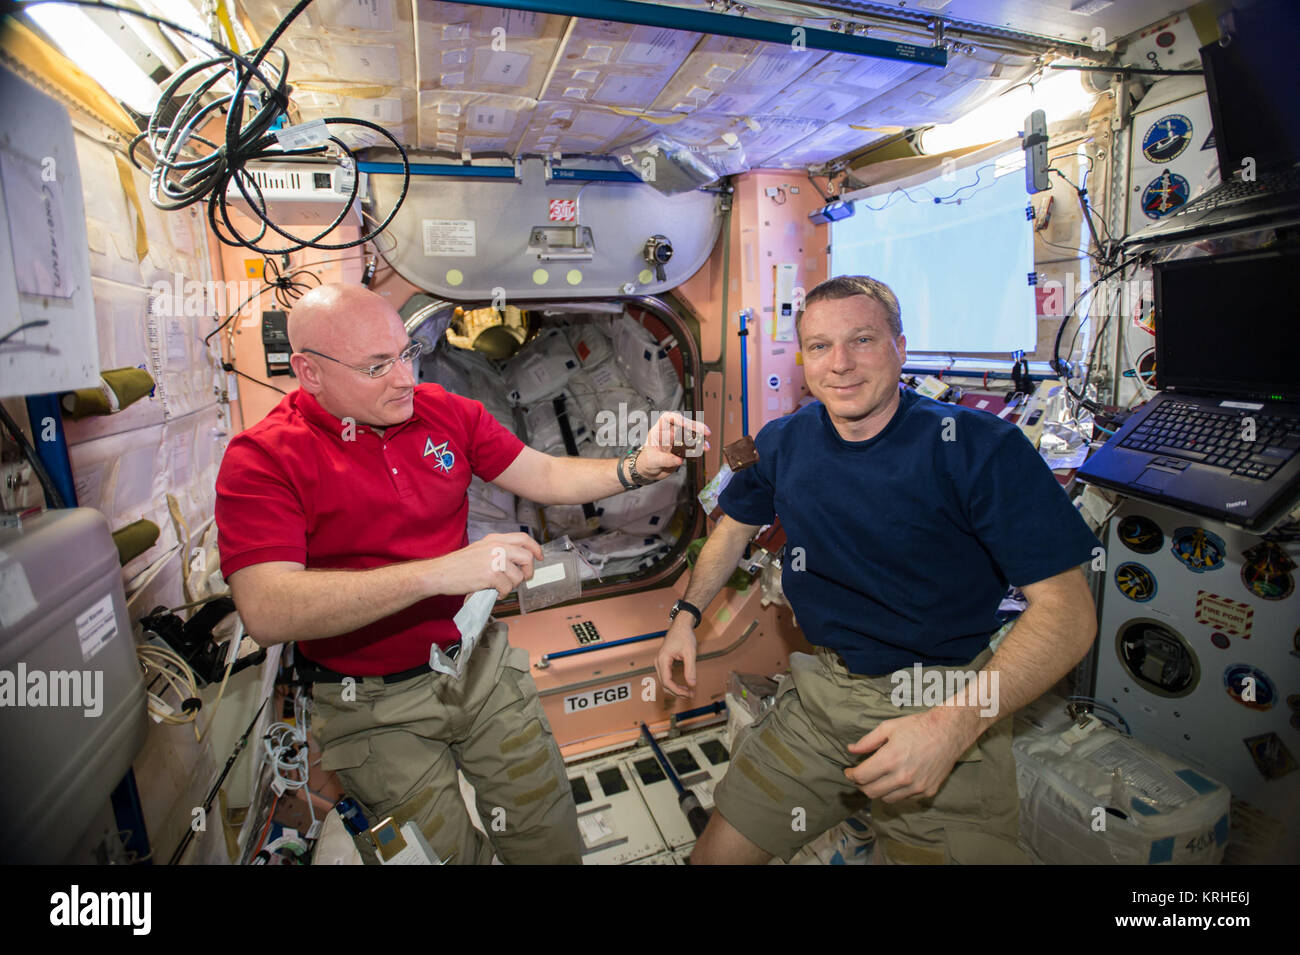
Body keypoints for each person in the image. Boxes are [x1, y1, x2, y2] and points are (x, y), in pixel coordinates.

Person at [215, 284, 705, 865]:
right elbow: (268, 610)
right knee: (440, 856)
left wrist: (635, 467)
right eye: (377, 367)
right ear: (309, 372)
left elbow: (543, 475)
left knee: (546, 836)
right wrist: (440, 574)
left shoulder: (442, 411)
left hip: (478, 666)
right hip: (372, 707)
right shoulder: (263, 459)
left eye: (405, 354)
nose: (403, 378)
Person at [655, 275, 1099, 865]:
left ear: (901, 347)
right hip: (825, 693)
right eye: (818, 346)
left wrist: (951, 728)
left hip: (943, 696)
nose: (839, 364)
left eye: (861, 340)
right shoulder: (784, 441)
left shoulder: (977, 447)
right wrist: (684, 615)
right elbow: (732, 527)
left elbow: (1068, 616)